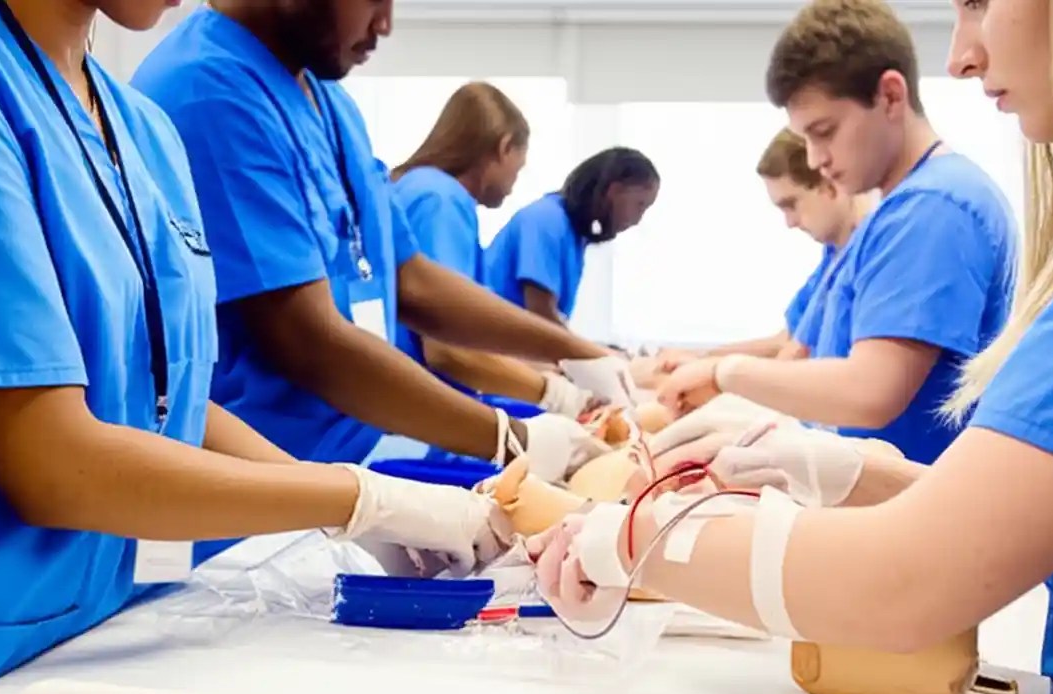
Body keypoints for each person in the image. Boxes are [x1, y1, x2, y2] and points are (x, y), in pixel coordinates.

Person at [531, 0, 1053, 694]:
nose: (960, 56)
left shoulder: (951, 210)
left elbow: (905, 576)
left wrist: (633, 533)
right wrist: (835, 467)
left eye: (979, 3)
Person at [0, 0, 510, 694]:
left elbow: (169, 400)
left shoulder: (143, 130)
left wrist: (361, 518)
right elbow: (51, 460)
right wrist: (357, 497)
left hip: (108, 626)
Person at [132, 1, 618, 483]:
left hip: (358, 452)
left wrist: (577, 353)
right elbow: (309, 343)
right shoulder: (209, 93)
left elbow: (411, 280)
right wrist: (513, 436)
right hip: (266, 486)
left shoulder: (326, 97)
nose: (385, 24)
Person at [656, 0, 1016, 464]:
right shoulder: (900, 211)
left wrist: (726, 372)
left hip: (900, 515)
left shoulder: (934, 207)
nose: (813, 159)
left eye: (824, 132)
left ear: (889, 97)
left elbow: (871, 392)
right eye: (805, 138)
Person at [390, 81, 590, 417]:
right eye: (519, 167)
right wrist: (557, 393)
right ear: (504, 147)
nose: (514, 183)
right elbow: (447, 348)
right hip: (413, 414)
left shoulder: (420, 189)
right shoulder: (440, 201)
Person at [703, 128, 874, 362]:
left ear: (830, 185)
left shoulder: (878, 260)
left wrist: (714, 371)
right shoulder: (835, 257)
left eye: (791, 205)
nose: (790, 223)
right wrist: (703, 361)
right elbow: (792, 345)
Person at [483, 147, 660, 326]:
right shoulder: (546, 219)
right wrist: (601, 353)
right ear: (613, 191)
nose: (638, 220)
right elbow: (541, 316)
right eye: (640, 205)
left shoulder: (572, 234)